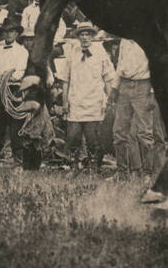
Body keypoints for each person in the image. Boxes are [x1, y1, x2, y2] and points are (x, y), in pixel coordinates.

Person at [60, 22, 114, 171]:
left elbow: (108, 79)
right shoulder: (71, 54)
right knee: (73, 137)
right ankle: (74, 167)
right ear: (78, 37)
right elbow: (65, 80)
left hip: (94, 102)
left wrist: (109, 101)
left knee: (93, 139)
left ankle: (93, 167)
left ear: (92, 36)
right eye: (82, 34)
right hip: (75, 102)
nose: (85, 37)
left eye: (87, 34)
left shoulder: (101, 54)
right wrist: (65, 102)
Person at [0, 18, 41, 168]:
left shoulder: (22, 51)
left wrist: (8, 76)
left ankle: (18, 160)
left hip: (14, 91)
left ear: (16, 33)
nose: (8, 34)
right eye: (6, 31)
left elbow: (20, 72)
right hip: (0, 91)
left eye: (11, 31)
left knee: (15, 126)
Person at [109, 38, 156, 181]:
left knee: (144, 133)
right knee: (119, 132)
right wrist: (114, 88)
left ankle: (147, 173)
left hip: (143, 86)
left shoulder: (149, 38)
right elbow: (120, 65)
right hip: (124, 85)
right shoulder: (124, 41)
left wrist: (153, 92)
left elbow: (156, 67)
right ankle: (122, 172)